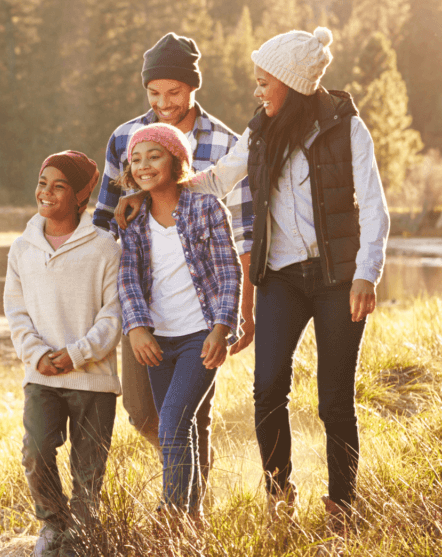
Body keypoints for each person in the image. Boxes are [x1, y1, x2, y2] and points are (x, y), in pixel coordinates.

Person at [116, 27, 390, 537]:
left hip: (338, 279)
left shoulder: (348, 129)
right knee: (267, 391)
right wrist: (152, 191)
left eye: (265, 81)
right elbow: (219, 177)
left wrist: (366, 273)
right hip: (281, 277)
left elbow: (374, 207)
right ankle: (279, 491)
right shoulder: (261, 131)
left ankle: (342, 503)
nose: (258, 91)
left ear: (291, 82)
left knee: (334, 399)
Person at [93, 32, 257, 494]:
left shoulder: (224, 142)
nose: (164, 102)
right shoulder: (125, 137)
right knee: (146, 413)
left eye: (174, 92)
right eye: (154, 93)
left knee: (188, 413)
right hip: (146, 304)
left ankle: (185, 511)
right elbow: (105, 220)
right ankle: (187, 483)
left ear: (193, 88)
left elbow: (243, 231)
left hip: (203, 306)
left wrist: (241, 312)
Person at [117, 123, 242, 527]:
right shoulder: (133, 221)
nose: (143, 166)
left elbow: (229, 273)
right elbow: (129, 279)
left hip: (199, 337)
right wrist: (136, 327)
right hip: (157, 341)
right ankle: (191, 518)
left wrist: (222, 328)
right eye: (136, 159)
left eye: (154, 156)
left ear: (177, 161)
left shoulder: (206, 208)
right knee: (179, 424)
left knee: (173, 420)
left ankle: (170, 512)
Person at [4, 150, 123, 557]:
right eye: (42, 183)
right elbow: (15, 310)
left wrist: (75, 354)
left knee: (89, 469)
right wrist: (37, 355)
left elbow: (113, 317)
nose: (47, 193)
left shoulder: (105, 248)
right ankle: (53, 526)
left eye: (59, 186)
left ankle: (83, 538)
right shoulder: (22, 248)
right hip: (42, 376)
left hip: (92, 378)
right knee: (36, 451)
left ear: (79, 196)